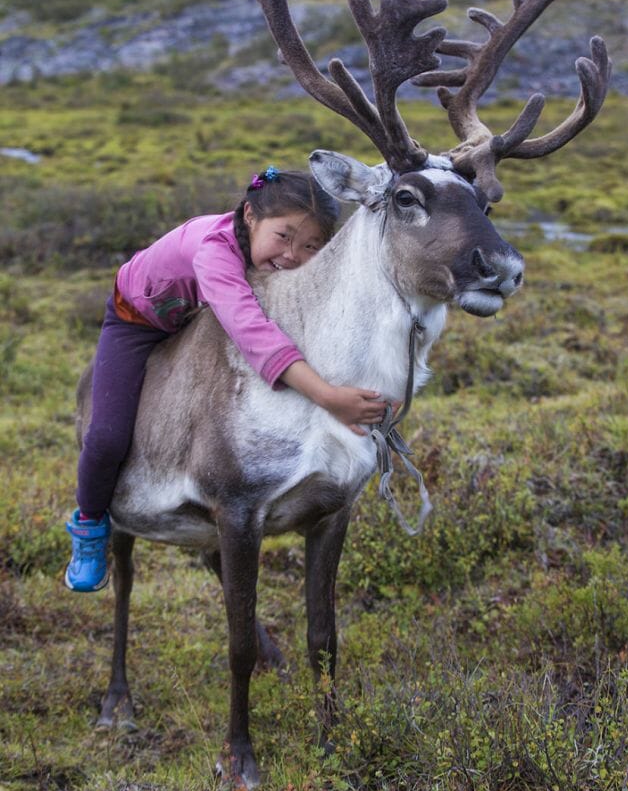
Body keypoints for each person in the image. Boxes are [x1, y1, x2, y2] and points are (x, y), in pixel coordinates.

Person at [65, 167, 388, 593]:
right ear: (250, 216)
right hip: (138, 322)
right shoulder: (214, 252)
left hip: (198, 320)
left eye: (311, 246)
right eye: (284, 236)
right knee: (105, 436)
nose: (292, 255)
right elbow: (252, 332)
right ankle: (89, 528)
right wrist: (328, 396)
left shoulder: (266, 257)